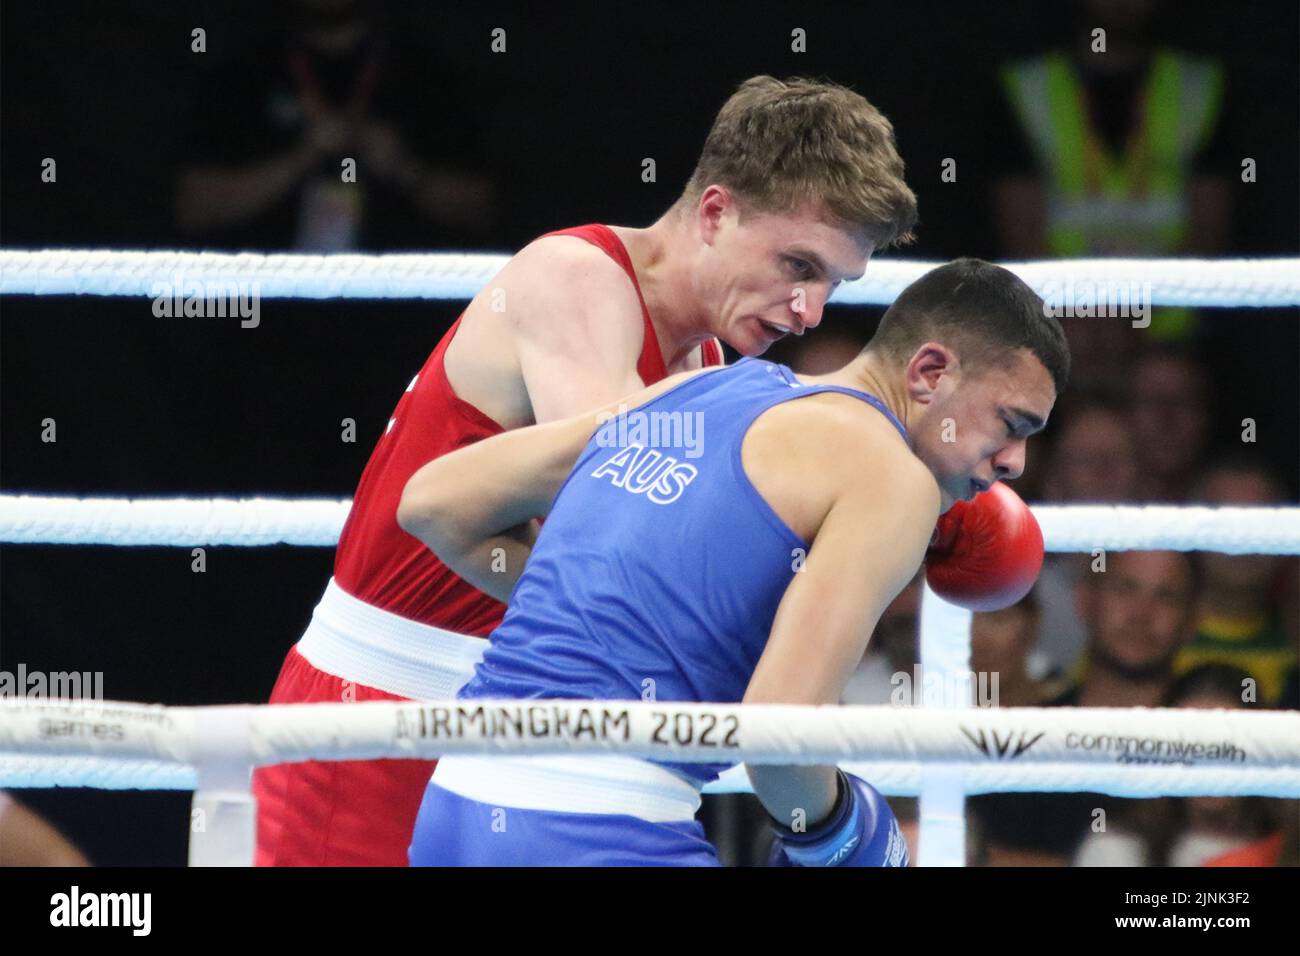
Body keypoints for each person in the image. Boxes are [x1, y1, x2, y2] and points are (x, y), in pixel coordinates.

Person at [253, 74, 918, 866]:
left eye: (833, 285)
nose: (809, 310)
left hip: (519, 747)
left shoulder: (706, 367)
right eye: (799, 265)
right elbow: (606, 564)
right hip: (382, 713)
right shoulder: (575, 280)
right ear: (715, 212)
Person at [399, 258, 1068, 866]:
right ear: (928, 374)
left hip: (453, 807)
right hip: (599, 828)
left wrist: (630, 604)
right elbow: (777, 738)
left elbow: (435, 504)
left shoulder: (702, 391)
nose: (1015, 464)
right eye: (1012, 425)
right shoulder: (896, 481)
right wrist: (845, 835)